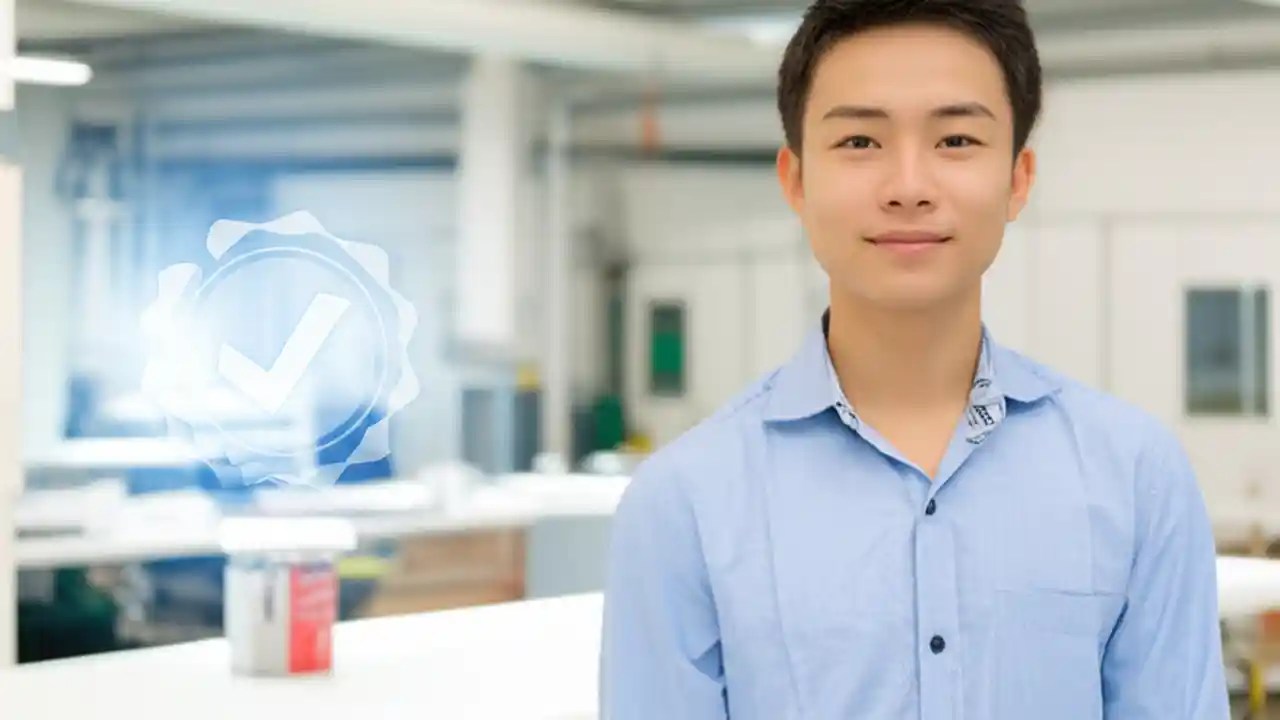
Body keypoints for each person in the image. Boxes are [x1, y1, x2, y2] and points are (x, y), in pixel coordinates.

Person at [598, 0, 1230, 718]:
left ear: (1018, 179)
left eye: (956, 140)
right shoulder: (684, 505)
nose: (908, 186)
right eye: (861, 142)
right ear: (796, 181)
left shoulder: (1136, 478)